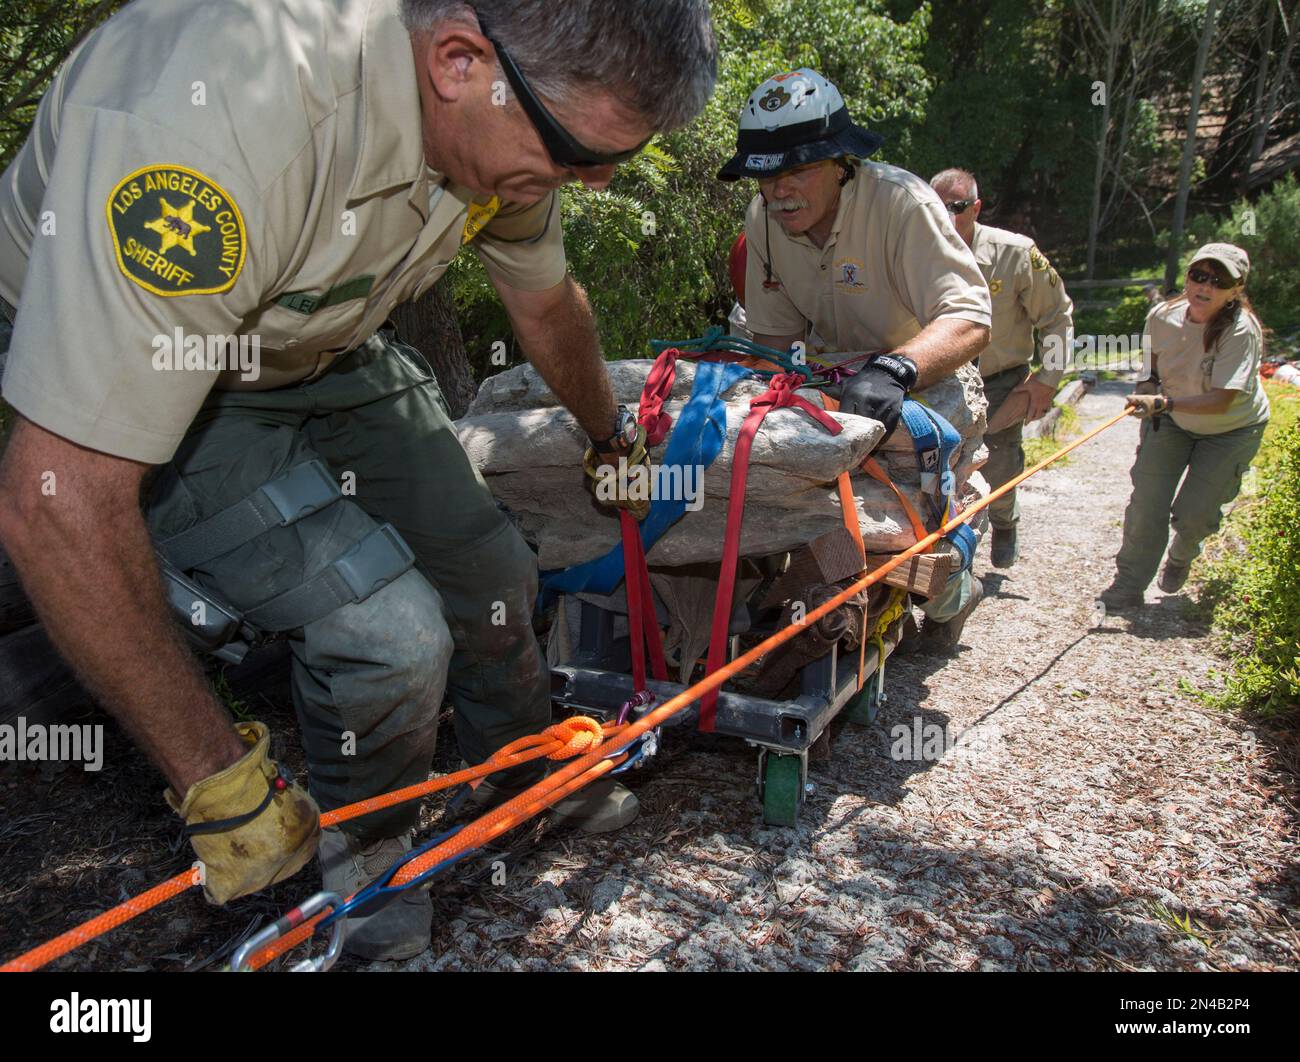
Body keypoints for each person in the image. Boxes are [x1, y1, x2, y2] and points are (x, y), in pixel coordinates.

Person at [0, 0, 717, 961]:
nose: (588, 184)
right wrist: (215, 781)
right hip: (162, 370)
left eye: (610, 163)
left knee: (495, 573)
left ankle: (523, 777)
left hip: (315, 344)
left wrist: (612, 439)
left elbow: (544, 304)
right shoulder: (211, 123)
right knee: (387, 639)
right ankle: (370, 910)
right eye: (578, 152)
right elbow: (57, 501)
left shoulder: (515, 111)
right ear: (460, 61)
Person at [718, 69, 992, 653]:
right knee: (771, 488)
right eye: (765, 175)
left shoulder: (902, 204)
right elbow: (773, 345)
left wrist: (898, 370)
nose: (778, 191)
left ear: (842, 162)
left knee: (906, 531)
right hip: (830, 379)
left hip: (925, 373)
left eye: (796, 171)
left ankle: (951, 589)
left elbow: (970, 318)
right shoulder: (763, 218)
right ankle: (791, 608)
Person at [1100, 243, 1270, 611]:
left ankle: (1182, 554)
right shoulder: (1163, 315)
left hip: (1231, 429)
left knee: (1194, 513)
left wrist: (1162, 403)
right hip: (1173, 422)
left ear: (1235, 290)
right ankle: (1129, 583)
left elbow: (1222, 399)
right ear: (1188, 276)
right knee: (1147, 501)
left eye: (1218, 280)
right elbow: (1151, 368)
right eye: (1198, 275)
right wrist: (1146, 390)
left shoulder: (1242, 330)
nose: (1205, 286)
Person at [929, 169, 1075, 568]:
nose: (945, 216)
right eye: (936, 207)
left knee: (1001, 462)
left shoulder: (1015, 253)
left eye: (956, 208)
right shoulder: (915, 250)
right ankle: (947, 553)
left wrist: (1047, 380)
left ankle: (1004, 519)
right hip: (937, 378)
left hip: (998, 379)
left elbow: (1058, 317)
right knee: (932, 467)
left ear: (975, 208)